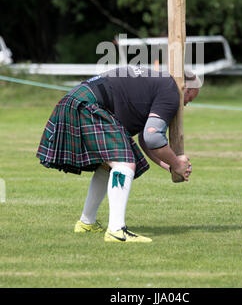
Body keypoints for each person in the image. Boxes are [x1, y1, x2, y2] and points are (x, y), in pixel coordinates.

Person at [36, 66, 201, 243]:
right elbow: (153, 137)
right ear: (186, 88)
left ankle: (86, 222)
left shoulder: (158, 83)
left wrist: (169, 166)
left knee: (109, 164)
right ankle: (116, 230)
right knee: (124, 163)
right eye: (190, 98)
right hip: (89, 104)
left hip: (76, 99)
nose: (185, 104)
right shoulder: (171, 91)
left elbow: (146, 139)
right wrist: (178, 164)